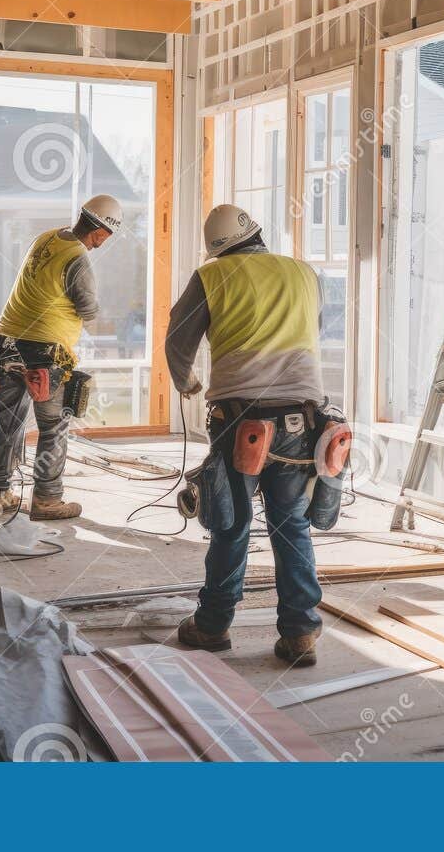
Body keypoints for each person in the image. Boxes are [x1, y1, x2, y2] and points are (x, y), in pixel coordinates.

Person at [167, 205, 329, 667]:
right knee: (291, 523)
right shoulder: (304, 273)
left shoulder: (212, 276)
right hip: (303, 418)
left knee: (232, 523)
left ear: (216, 249)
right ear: (258, 233)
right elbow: (312, 331)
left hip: (241, 420)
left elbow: (178, 339)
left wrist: (188, 383)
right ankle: (300, 634)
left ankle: (213, 626)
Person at [0, 195, 122, 521]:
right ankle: (47, 500)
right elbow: (88, 309)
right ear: (101, 232)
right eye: (107, 238)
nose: (104, 243)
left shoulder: (47, 238)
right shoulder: (78, 258)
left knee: (7, 421)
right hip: (44, 349)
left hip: (6, 341)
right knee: (53, 426)